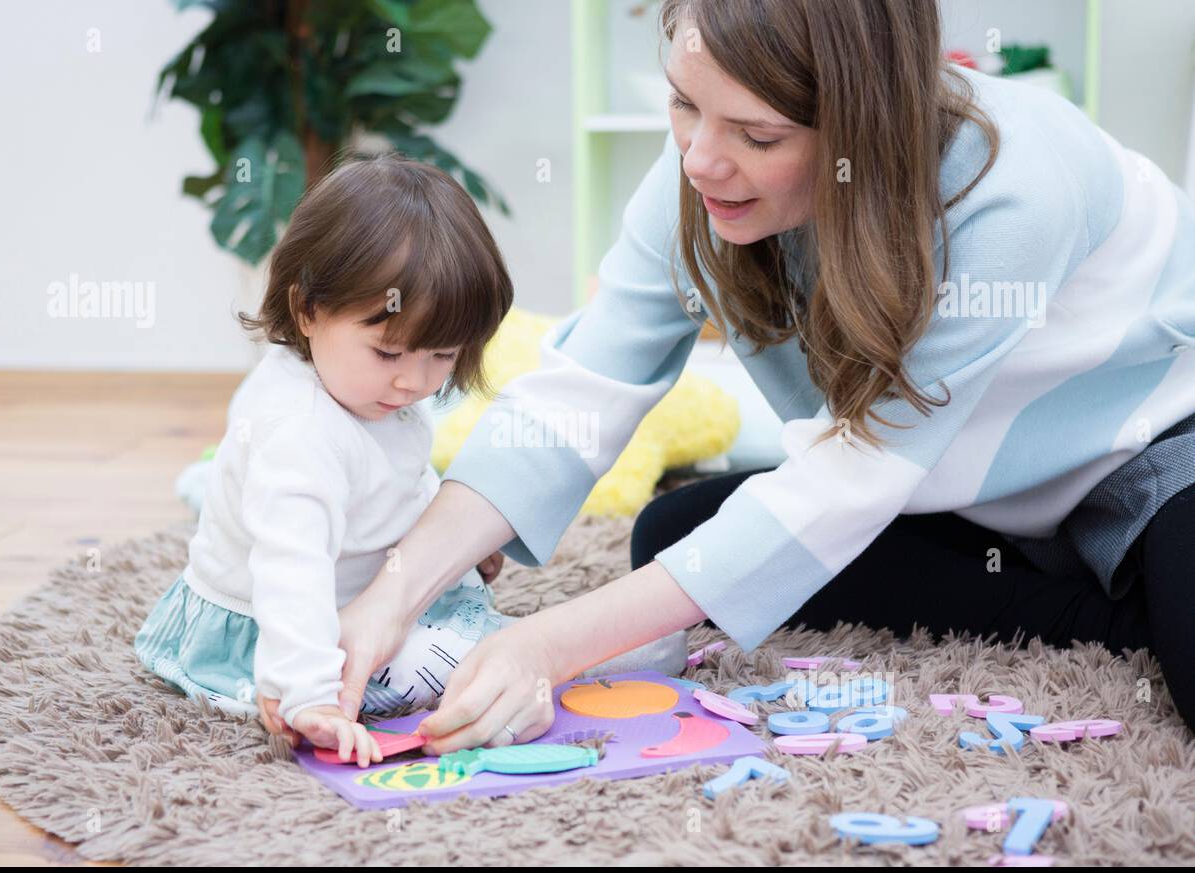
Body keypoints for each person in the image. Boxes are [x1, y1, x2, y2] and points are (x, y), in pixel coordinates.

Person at [333, 0, 1195, 750]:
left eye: (757, 135)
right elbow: (578, 388)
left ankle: (1127, 609)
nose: (700, 159)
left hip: (1150, 456)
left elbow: (849, 479)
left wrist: (548, 646)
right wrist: (396, 590)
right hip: (963, 490)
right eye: (682, 104)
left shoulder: (1017, 187)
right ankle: (1102, 608)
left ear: (866, 127)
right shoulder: (699, 179)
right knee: (674, 541)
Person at [134, 153, 514, 766]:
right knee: (464, 669)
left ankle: (212, 487)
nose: (414, 383)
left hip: (358, 589)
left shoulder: (364, 387)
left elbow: (404, 473)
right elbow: (292, 570)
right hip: (288, 630)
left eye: (442, 355)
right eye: (389, 353)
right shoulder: (301, 434)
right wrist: (310, 693)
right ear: (308, 310)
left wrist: (458, 545)